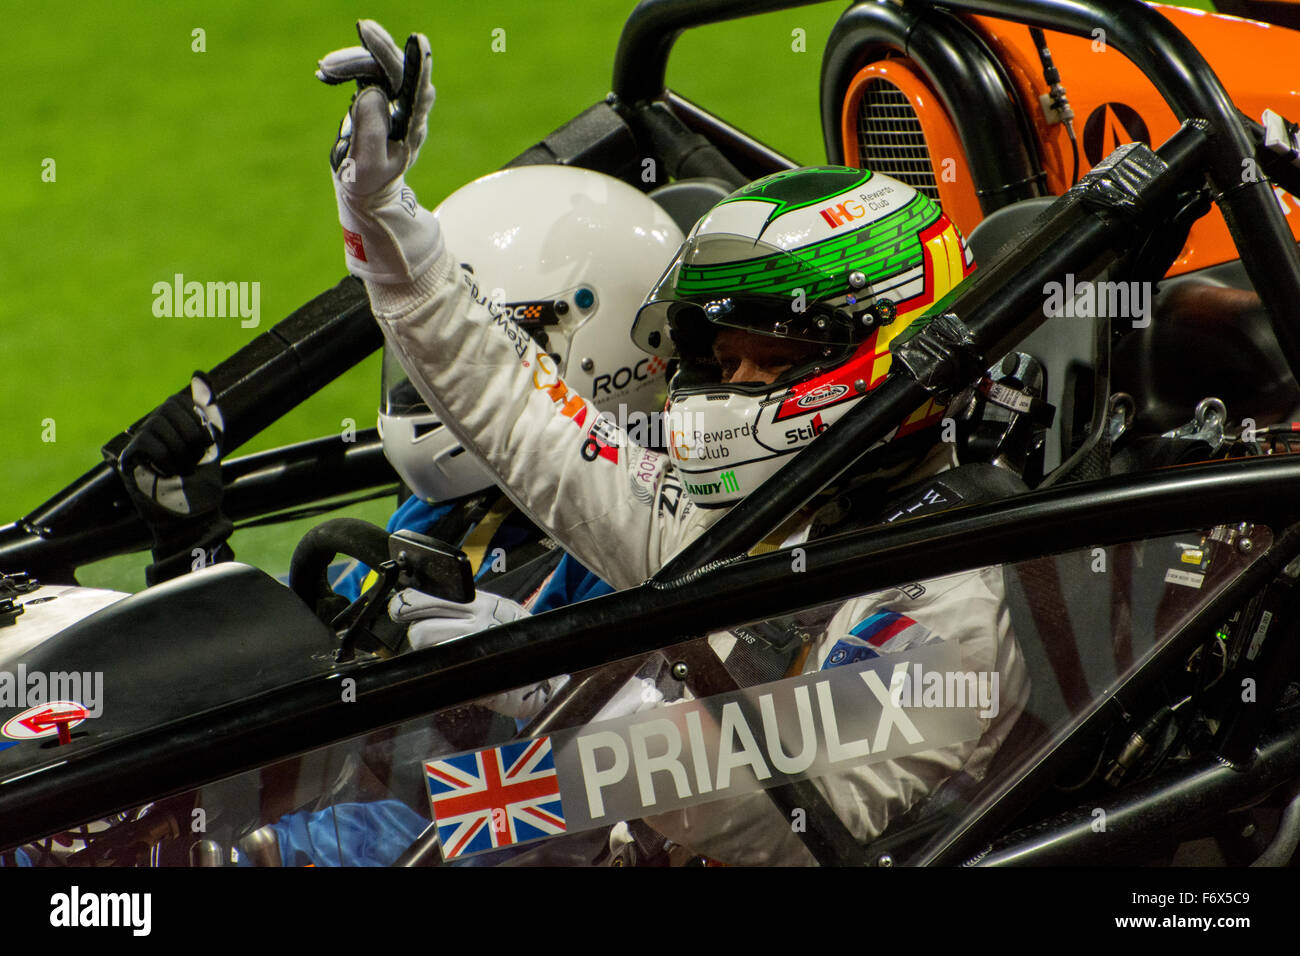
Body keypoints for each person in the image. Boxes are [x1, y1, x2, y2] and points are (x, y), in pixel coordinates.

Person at [317, 20, 1028, 865]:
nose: (735, 388)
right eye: (724, 359)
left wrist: (536, 672)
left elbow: (778, 816)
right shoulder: (743, 521)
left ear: (887, 346)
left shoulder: (951, 615)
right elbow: (520, 409)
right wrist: (388, 225)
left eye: (775, 359)